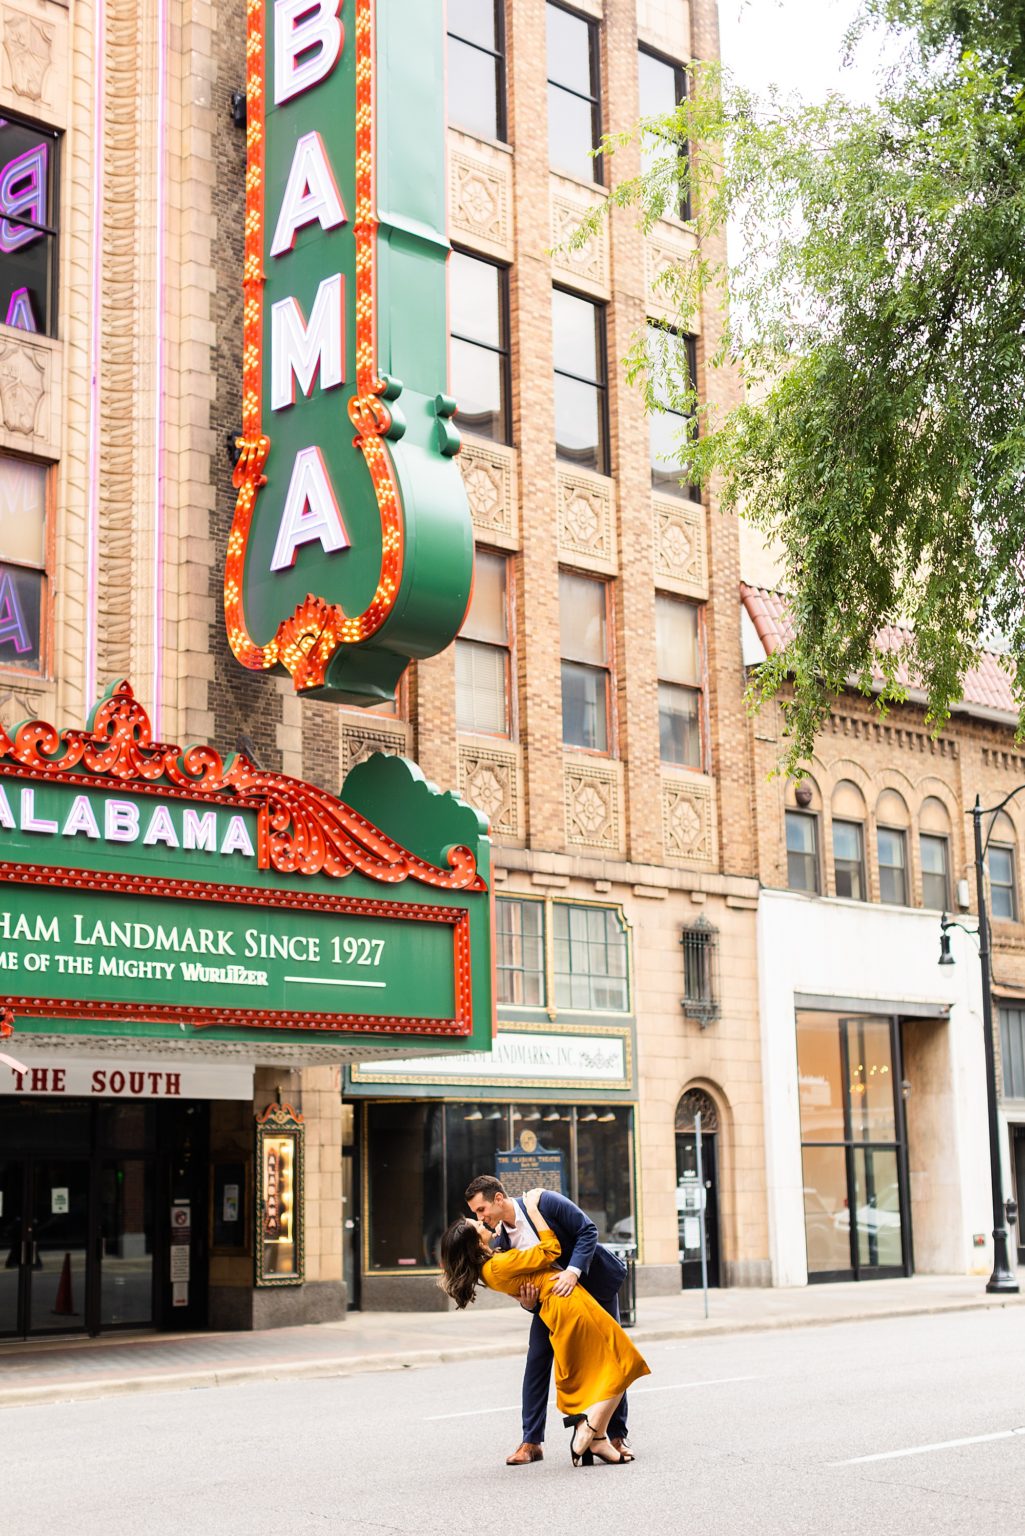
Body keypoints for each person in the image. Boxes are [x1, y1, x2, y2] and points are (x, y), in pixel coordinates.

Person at [439, 1187, 649, 1467]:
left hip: (591, 1283)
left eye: (481, 1210)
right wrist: (527, 1303)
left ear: (498, 1199)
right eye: (477, 1215)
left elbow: (588, 1231)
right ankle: (532, 1441)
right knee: (539, 1360)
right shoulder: (498, 1242)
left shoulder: (543, 1202)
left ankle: (615, 1436)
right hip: (554, 1300)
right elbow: (522, 1279)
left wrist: (573, 1273)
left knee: (612, 1355)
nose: (481, 1217)